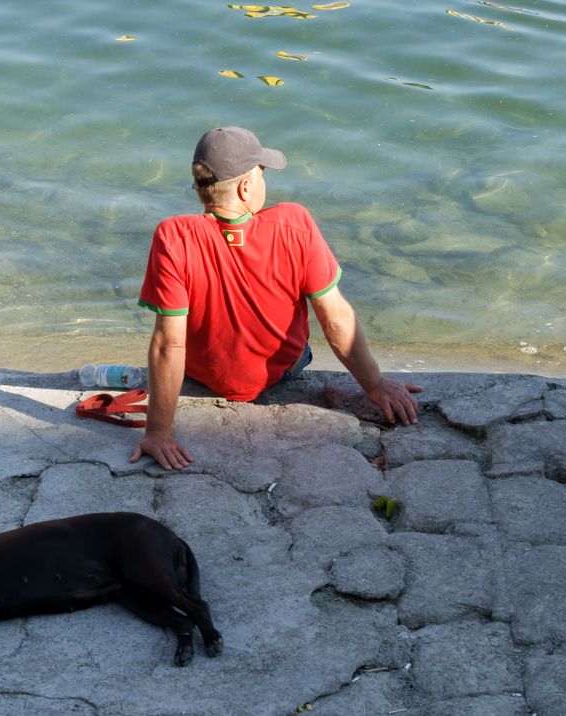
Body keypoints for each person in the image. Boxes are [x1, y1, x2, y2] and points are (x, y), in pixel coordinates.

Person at [131, 127, 422, 470]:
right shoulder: (294, 223)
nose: (264, 181)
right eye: (262, 173)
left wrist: (158, 432)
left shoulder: (173, 236)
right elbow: (335, 319)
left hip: (203, 374)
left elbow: (168, 344)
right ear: (245, 187)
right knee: (305, 335)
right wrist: (375, 384)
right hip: (281, 371)